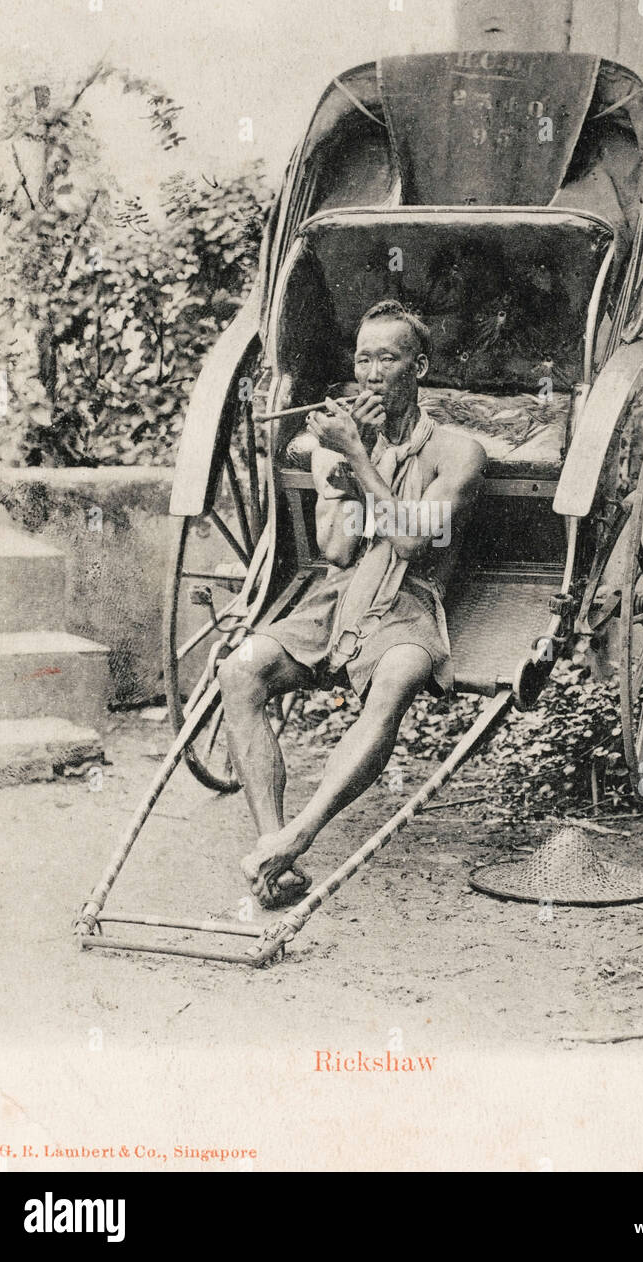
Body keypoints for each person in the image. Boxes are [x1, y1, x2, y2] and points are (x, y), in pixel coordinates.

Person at [218, 299, 486, 908]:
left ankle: (299, 835)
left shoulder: (457, 452)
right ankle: (275, 850)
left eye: (386, 359)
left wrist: (362, 461)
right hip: (343, 596)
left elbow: (415, 542)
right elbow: (337, 552)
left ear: (418, 368)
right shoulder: (339, 445)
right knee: (239, 670)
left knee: (393, 683)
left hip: (409, 603)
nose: (370, 373)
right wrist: (338, 462)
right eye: (362, 358)